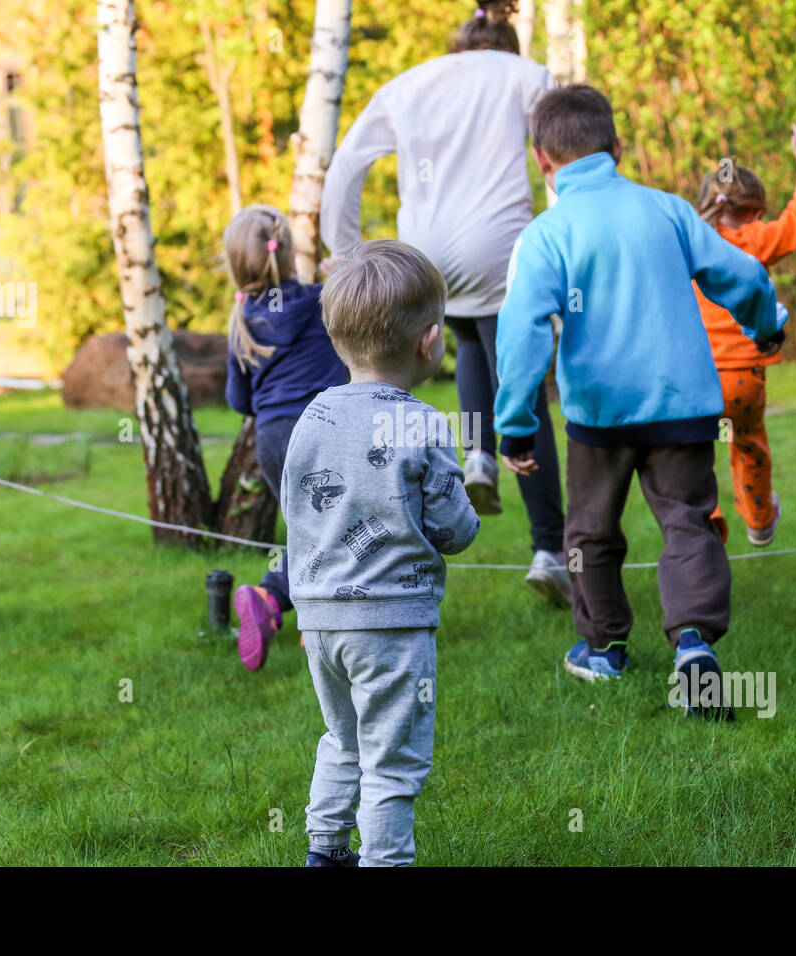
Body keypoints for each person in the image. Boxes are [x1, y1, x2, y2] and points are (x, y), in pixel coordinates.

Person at [493, 86, 780, 717]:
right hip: (682, 404)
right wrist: (767, 324)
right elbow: (743, 276)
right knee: (688, 521)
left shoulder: (546, 234)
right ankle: (695, 646)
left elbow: (520, 332)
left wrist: (515, 427)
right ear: (617, 148)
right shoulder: (669, 211)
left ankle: (604, 649)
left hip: (600, 415)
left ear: (541, 160)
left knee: (589, 533)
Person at [318, 0, 572, 605]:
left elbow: (346, 165)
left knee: (465, 340)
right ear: (507, 43)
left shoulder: (409, 83)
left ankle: (479, 456)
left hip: (427, 250)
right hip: (500, 247)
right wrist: (565, 237)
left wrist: (348, 251)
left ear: (461, 44)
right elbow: (563, 151)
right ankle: (550, 550)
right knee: (525, 388)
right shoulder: (527, 75)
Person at [283, 239, 480, 866]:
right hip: (391, 625)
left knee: (343, 737)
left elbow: (296, 507)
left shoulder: (311, 416)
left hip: (319, 620)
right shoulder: (422, 424)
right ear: (429, 341)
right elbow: (453, 529)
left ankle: (325, 848)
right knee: (392, 762)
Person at [223, 204, 348, 672]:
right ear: (291, 252)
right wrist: (345, 274)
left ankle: (306, 616)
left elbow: (239, 401)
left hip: (273, 439)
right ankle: (278, 600)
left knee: (311, 529)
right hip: (326, 428)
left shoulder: (242, 322)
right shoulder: (322, 300)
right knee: (335, 529)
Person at [695, 120, 796, 546]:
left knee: (694, 452)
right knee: (747, 443)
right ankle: (759, 519)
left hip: (694, 378)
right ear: (753, 212)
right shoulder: (754, 239)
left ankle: (705, 519)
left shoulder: (689, 243)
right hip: (743, 379)